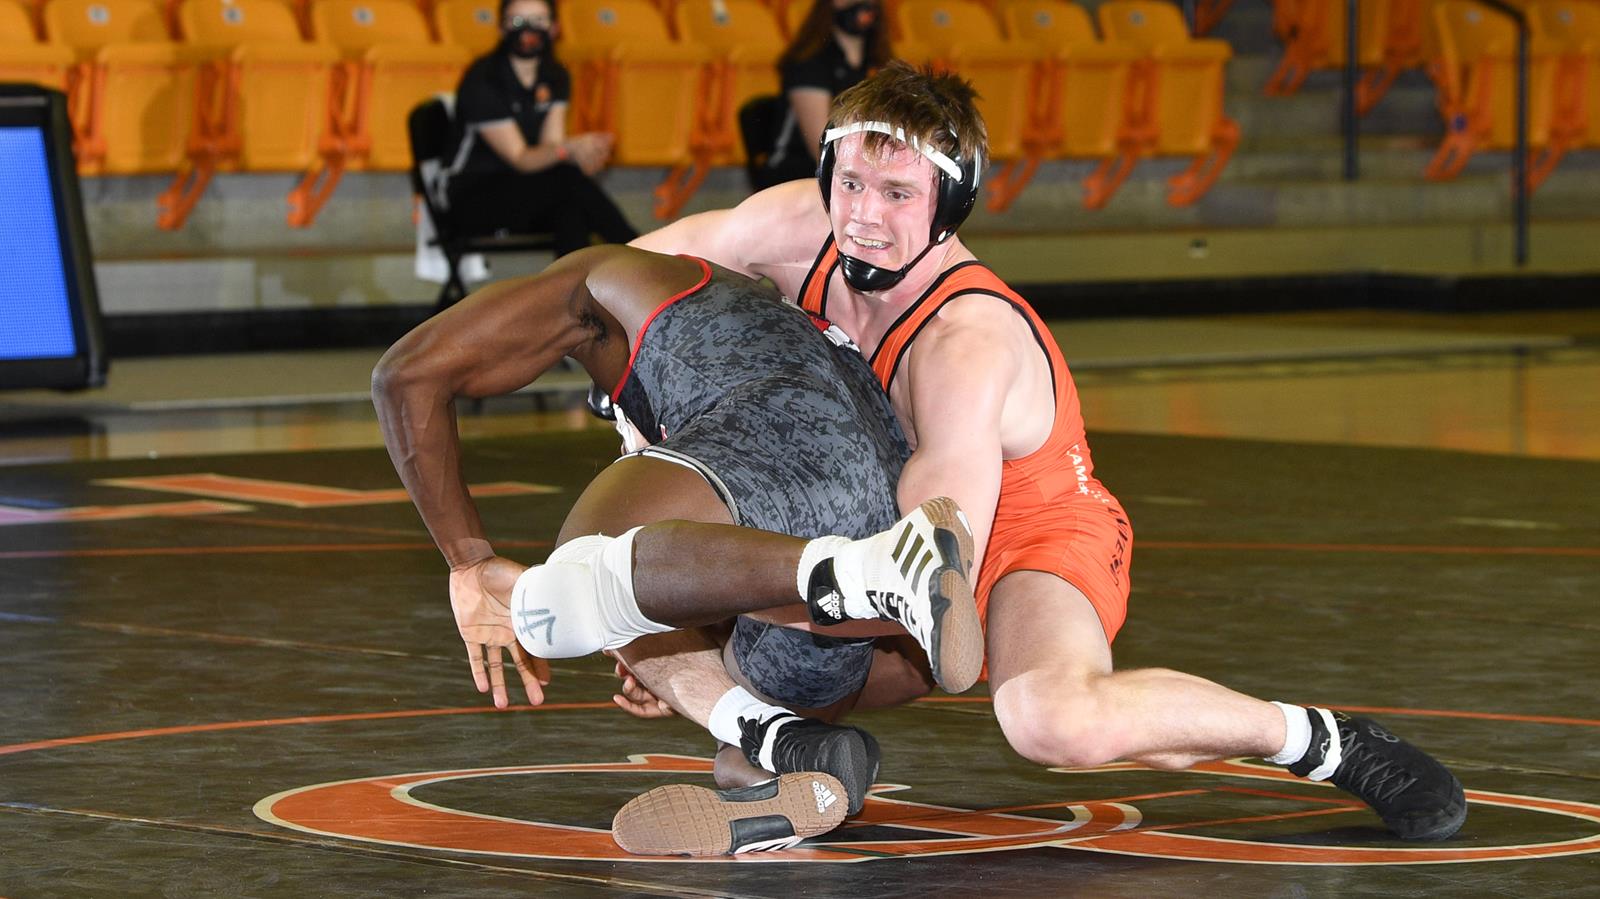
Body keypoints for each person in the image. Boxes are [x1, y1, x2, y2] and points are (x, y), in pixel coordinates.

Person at [610, 61, 1469, 847]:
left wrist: (719, 616)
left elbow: (929, 562)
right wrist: (630, 399)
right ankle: (776, 734)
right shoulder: (798, 222)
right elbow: (617, 277)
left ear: (948, 206)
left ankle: (1321, 741)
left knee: (1056, 718)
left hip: (1023, 526)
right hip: (872, 509)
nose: (864, 215)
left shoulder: (965, 341)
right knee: (695, 671)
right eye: (852, 182)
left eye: (898, 194)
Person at [371, 243, 986, 854]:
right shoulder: (782, 338)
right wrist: (670, 646)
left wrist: (469, 562)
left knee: (557, 598)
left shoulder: (602, 281)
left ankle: (862, 576)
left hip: (785, 423)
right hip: (878, 510)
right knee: (729, 739)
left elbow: (404, 375)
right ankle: (786, 746)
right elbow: (910, 673)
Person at [444, 0, 638, 255]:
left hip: (532, 189)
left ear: (554, 28)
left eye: (538, 21)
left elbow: (550, 147)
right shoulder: (484, 79)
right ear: (501, 28)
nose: (527, 30)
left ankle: (581, 279)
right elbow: (521, 159)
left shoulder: (555, 75)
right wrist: (570, 149)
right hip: (474, 195)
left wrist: (584, 151)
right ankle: (641, 252)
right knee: (567, 183)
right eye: (517, 21)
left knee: (570, 206)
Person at [744, 0, 890, 190]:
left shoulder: (880, 65)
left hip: (848, 175)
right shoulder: (809, 63)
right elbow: (823, 149)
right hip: (795, 178)